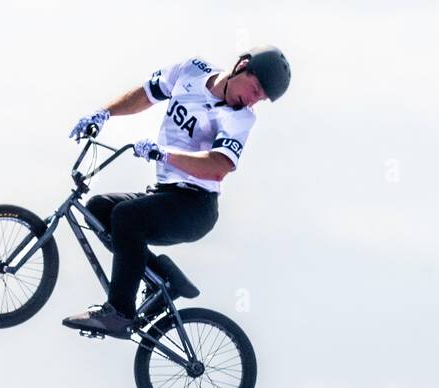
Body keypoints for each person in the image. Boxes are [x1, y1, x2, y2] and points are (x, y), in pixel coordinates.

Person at [62, 46, 291, 339]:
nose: (253, 100)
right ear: (242, 66)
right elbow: (146, 94)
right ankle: (165, 280)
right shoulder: (192, 70)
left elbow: (218, 167)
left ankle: (119, 313)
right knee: (99, 209)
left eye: (261, 98)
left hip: (195, 208)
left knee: (127, 217)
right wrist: (103, 113)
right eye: (255, 89)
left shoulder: (240, 119)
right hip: (164, 194)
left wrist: (164, 155)